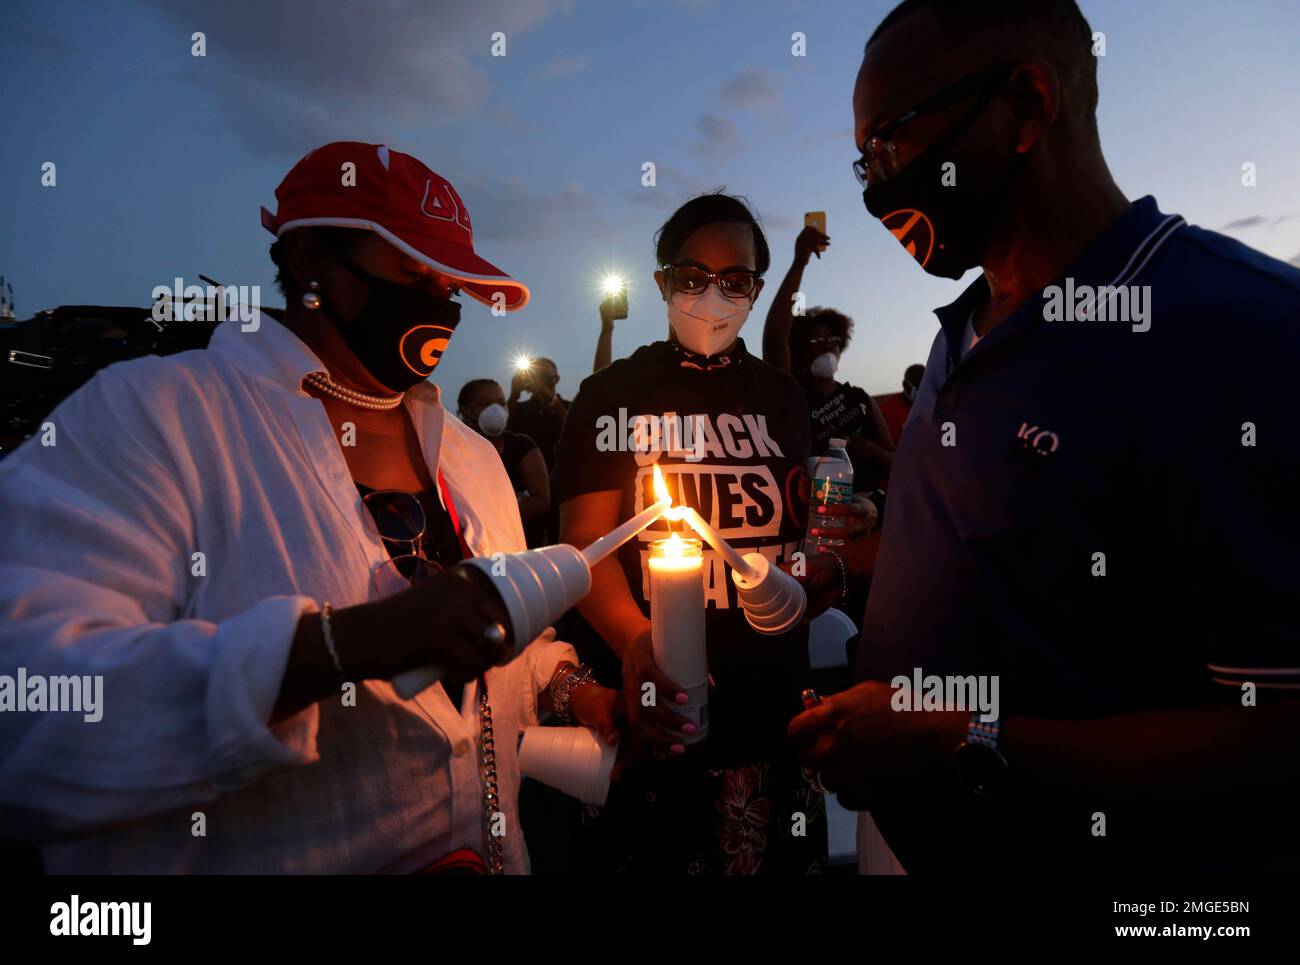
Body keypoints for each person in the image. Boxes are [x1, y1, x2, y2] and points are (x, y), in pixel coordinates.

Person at [0, 141, 622, 874]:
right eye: (410, 271)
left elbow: (498, 648)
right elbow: (28, 713)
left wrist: (572, 689)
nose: (437, 302)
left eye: (449, 283)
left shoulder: (471, 458)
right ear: (308, 260)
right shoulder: (152, 415)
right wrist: (339, 646)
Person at [790, 0, 1300, 876]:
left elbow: (1276, 736)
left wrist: (960, 739)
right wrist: (840, 570)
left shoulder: (1241, 334)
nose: (874, 185)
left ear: (1025, 105)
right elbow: (1004, 543)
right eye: (861, 160)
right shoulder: (963, 331)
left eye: (889, 144)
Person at [555, 192, 867, 875]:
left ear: (756, 289)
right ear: (662, 281)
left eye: (735, 280)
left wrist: (821, 570)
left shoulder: (780, 396)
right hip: (653, 713)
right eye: (692, 276)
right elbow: (585, 542)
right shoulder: (611, 393)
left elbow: (803, 526)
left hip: (768, 712)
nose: (712, 296)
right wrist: (636, 638)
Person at [763, 225, 896, 490]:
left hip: (867, 511)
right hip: (813, 513)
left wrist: (874, 453)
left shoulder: (859, 399)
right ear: (800, 348)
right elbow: (775, 342)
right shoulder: (793, 394)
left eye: (832, 340)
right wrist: (800, 263)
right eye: (817, 341)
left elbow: (897, 461)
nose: (828, 347)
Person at [458, 378, 551, 548]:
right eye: (484, 403)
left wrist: (485, 514)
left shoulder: (522, 445)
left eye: (501, 402)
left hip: (524, 546)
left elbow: (542, 501)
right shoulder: (453, 450)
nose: (495, 410)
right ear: (465, 410)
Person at [508, 356, 568, 474]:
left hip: (564, 477)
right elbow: (502, 433)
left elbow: (576, 431)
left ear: (555, 379)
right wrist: (514, 396)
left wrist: (553, 401)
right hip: (527, 480)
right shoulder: (518, 408)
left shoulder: (570, 406)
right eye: (533, 373)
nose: (537, 379)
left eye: (542, 374)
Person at [876, 362, 925, 447]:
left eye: (924, 387)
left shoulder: (931, 407)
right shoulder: (884, 411)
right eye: (917, 387)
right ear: (905, 385)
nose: (921, 392)